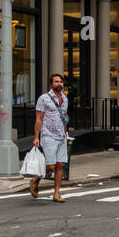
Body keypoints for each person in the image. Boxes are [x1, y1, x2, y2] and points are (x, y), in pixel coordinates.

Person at [31, 73, 69, 202]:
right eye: (56, 82)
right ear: (51, 84)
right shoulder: (44, 98)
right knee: (51, 166)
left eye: (61, 82)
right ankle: (35, 180)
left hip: (61, 136)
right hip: (48, 135)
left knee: (60, 165)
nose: (59, 84)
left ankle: (56, 194)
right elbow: (38, 118)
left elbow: (64, 119)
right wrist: (37, 137)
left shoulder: (65, 99)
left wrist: (66, 135)